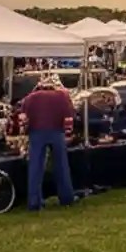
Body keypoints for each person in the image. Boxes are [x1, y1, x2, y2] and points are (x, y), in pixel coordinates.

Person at [20, 74, 76, 211]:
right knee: (61, 165)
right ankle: (66, 198)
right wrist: (68, 134)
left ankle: (34, 202)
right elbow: (69, 118)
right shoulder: (62, 96)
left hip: (36, 133)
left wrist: (25, 133)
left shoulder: (29, 98)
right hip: (57, 132)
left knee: (35, 168)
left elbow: (23, 120)